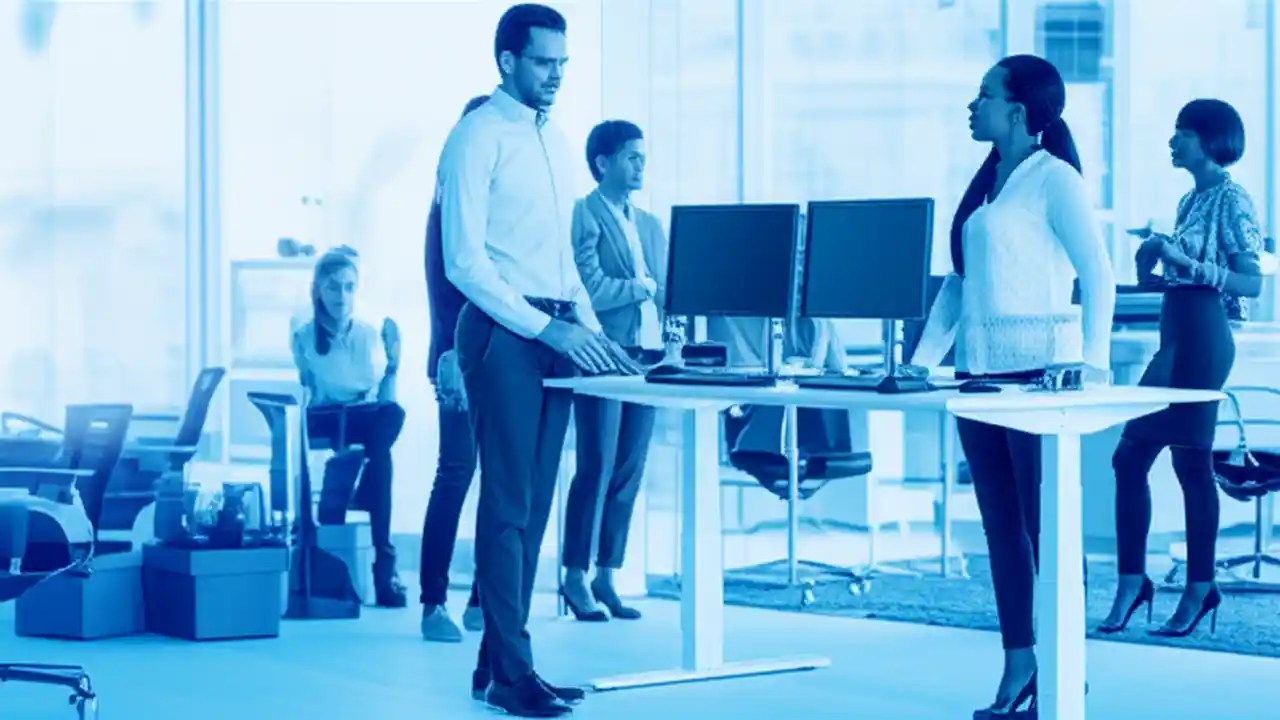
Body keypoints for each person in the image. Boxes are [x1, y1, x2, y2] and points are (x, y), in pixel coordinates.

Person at [437, 4, 638, 717]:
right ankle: (511, 673)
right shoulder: (476, 136)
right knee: (508, 503)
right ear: (507, 61)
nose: (556, 74)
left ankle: (499, 661)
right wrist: (544, 331)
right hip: (500, 332)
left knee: (535, 505)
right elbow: (464, 262)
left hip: (552, 329)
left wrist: (588, 330)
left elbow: (561, 266)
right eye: (543, 62)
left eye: (563, 62)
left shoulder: (551, 142)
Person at [910, 54, 1116, 718]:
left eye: (984, 95)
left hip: (1041, 380)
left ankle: (1064, 666)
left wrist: (1095, 363)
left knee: (1047, 529)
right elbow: (959, 284)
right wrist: (920, 363)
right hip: (978, 379)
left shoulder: (1055, 181)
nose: (973, 106)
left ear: (1019, 110)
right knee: (1000, 529)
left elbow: (1099, 273)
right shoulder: (987, 184)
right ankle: (1019, 665)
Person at [1101, 99, 1263, 638]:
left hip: (1205, 337)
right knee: (1130, 458)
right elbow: (1180, 276)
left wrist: (1185, 262)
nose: (1173, 142)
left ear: (1211, 142)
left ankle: (1198, 586)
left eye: (1183, 134)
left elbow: (1250, 284)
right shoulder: (1188, 200)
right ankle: (1134, 580)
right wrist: (1154, 259)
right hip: (1175, 330)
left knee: (1186, 465)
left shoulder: (1234, 200)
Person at [560, 120, 667, 622]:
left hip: (648, 355)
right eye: (631, 156)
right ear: (603, 163)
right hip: (604, 354)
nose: (640, 164)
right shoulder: (586, 215)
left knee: (629, 468)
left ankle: (607, 573)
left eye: (643, 156)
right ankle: (574, 576)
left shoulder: (649, 224)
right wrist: (640, 289)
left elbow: (666, 288)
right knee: (597, 464)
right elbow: (591, 288)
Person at [291, 246, 409, 608]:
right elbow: (330, 385)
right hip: (323, 418)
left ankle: (382, 555)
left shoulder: (368, 334)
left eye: (348, 287)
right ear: (318, 291)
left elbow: (381, 395)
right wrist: (365, 390)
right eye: (333, 288)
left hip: (361, 418)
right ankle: (385, 565)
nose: (341, 296)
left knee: (392, 419)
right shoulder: (304, 337)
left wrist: (393, 367)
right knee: (381, 451)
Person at [419, 93, 491, 644]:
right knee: (456, 474)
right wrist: (449, 357)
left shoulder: (494, 208)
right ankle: (433, 602)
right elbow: (444, 292)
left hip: (500, 358)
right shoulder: (447, 208)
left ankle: (479, 599)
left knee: (500, 483)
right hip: (458, 359)